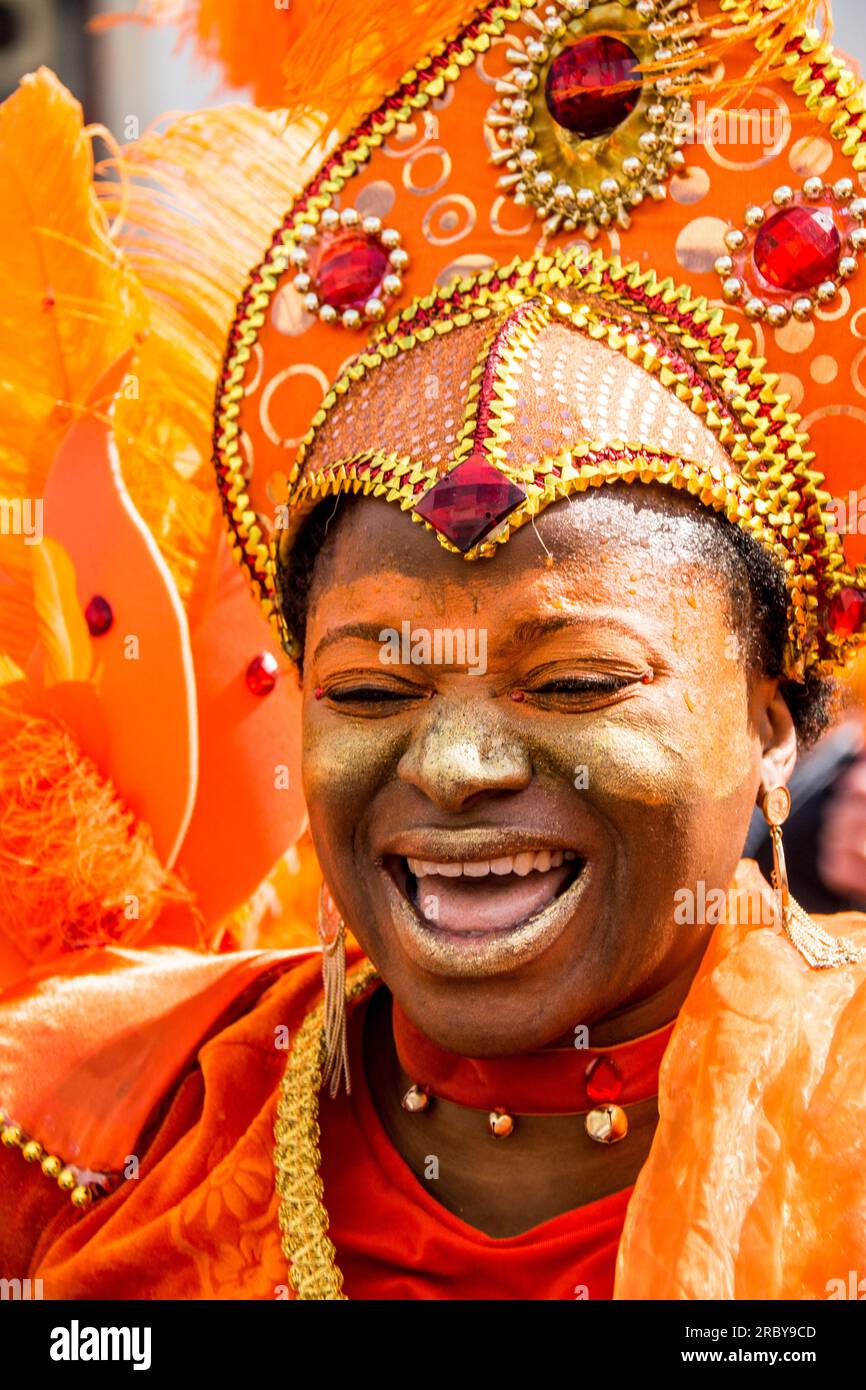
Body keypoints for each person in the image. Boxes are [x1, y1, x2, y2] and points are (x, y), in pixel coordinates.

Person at [2, 0, 866, 1301]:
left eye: (572, 680)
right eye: (371, 688)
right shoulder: (100, 1128)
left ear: (768, 718)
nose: (455, 761)